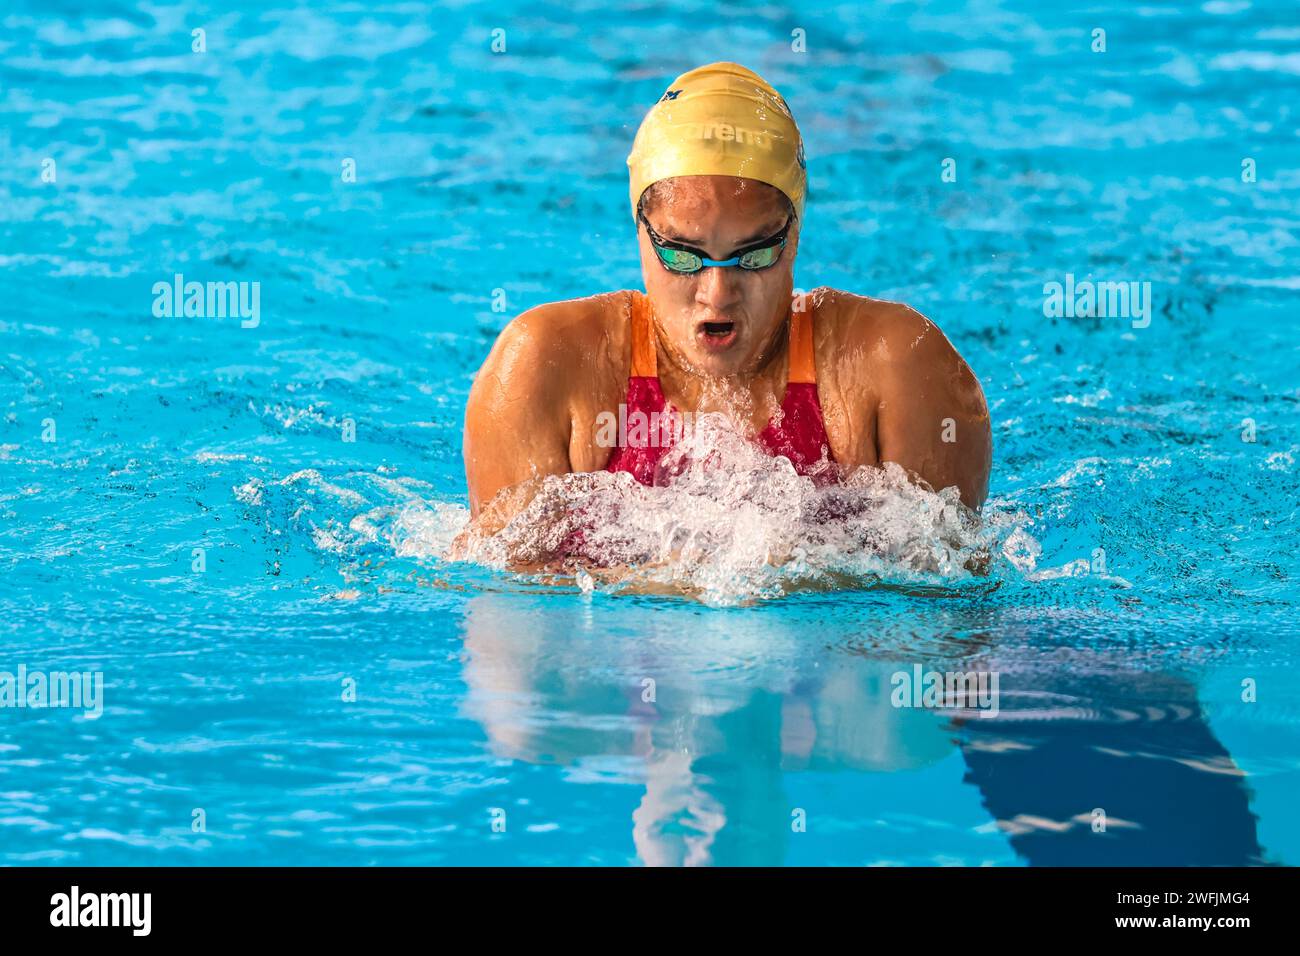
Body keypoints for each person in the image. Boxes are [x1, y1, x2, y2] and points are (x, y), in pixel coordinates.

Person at [462, 62, 990, 543]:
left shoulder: (897, 365)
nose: (717, 293)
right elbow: (509, 617)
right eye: (684, 255)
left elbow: (950, 618)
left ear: (796, 235)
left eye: (754, 254)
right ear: (641, 235)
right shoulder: (544, 367)